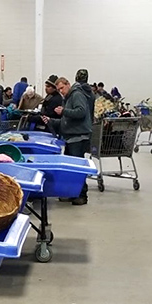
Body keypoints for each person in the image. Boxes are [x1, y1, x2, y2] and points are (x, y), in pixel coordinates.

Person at [56, 70, 95, 204]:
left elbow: (81, 111)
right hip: (71, 136)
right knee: (70, 168)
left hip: (78, 136)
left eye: (62, 88)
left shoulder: (77, 94)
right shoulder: (70, 96)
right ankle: (72, 192)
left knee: (78, 168)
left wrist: (64, 111)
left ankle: (82, 195)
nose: (61, 91)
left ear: (68, 84)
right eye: (58, 90)